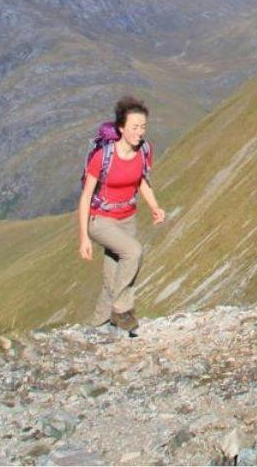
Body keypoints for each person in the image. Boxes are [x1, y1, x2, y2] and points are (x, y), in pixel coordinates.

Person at [76, 95, 165, 333]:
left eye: (143, 127)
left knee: (113, 277)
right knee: (133, 252)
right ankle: (122, 309)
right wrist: (84, 238)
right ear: (121, 128)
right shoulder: (102, 157)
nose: (140, 132)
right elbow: (85, 197)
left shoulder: (145, 150)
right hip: (100, 220)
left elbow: (142, 182)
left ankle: (96, 325)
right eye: (134, 127)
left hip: (127, 218)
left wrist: (155, 207)